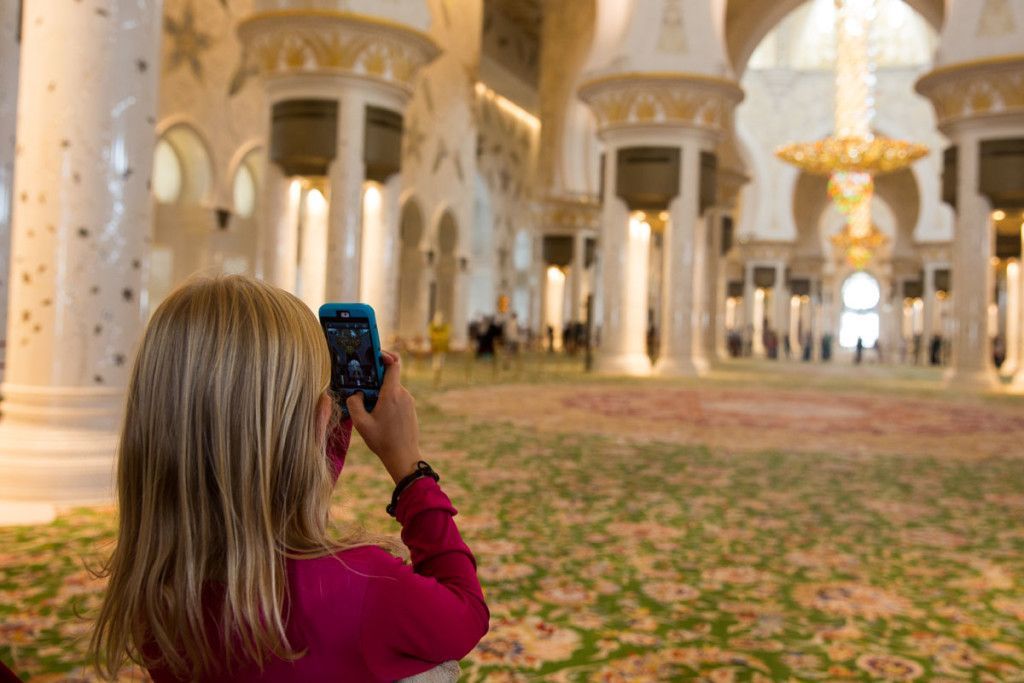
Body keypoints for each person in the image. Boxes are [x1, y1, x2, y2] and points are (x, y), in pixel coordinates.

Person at [89, 276, 488, 682]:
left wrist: (325, 422)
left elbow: (273, 491)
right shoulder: (363, 585)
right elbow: (466, 614)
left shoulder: (157, 589)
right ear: (320, 420)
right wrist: (410, 472)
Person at [428, 311, 451, 387]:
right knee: (435, 365)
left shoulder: (446, 327)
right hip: (435, 349)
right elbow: (431, 336)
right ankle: (435, 381)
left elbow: (446, 337)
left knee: (440, 364)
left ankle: (438, 380)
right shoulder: (432, 327)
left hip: (442, 348)